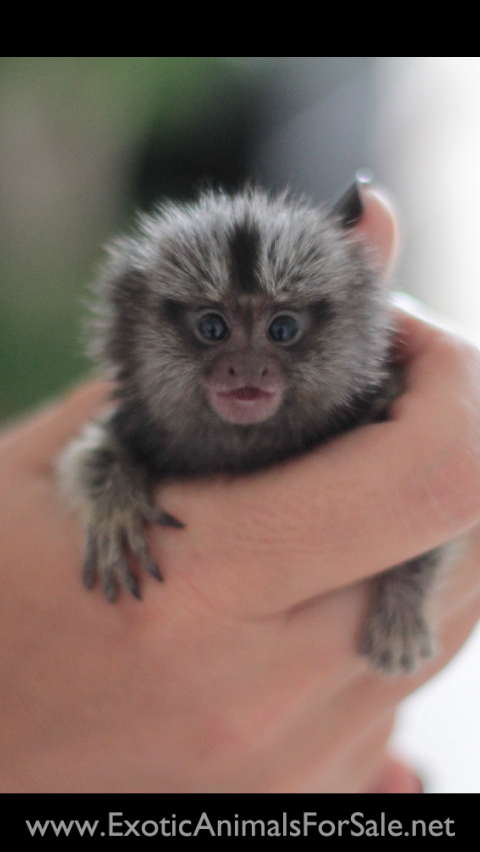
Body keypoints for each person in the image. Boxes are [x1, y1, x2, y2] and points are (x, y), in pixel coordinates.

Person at [1, 193, 480, 793]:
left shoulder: (375, 409)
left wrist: (403, 603)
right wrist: (114, 497)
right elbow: (94, 456)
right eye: (212, 329)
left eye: (282, 330)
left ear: (354, 325)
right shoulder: (142, 422)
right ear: (132, 327)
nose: (246, 365)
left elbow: (425, 501)